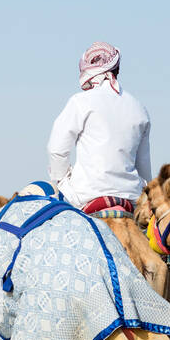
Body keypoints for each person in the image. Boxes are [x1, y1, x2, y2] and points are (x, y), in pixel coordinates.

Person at [46, 41, 152, 213]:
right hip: (131, 199)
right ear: (117, 69)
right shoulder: (140, 109)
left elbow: (56, 150)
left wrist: (63, 181)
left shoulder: (80, 102)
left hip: (84, 196)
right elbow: (144, 170)